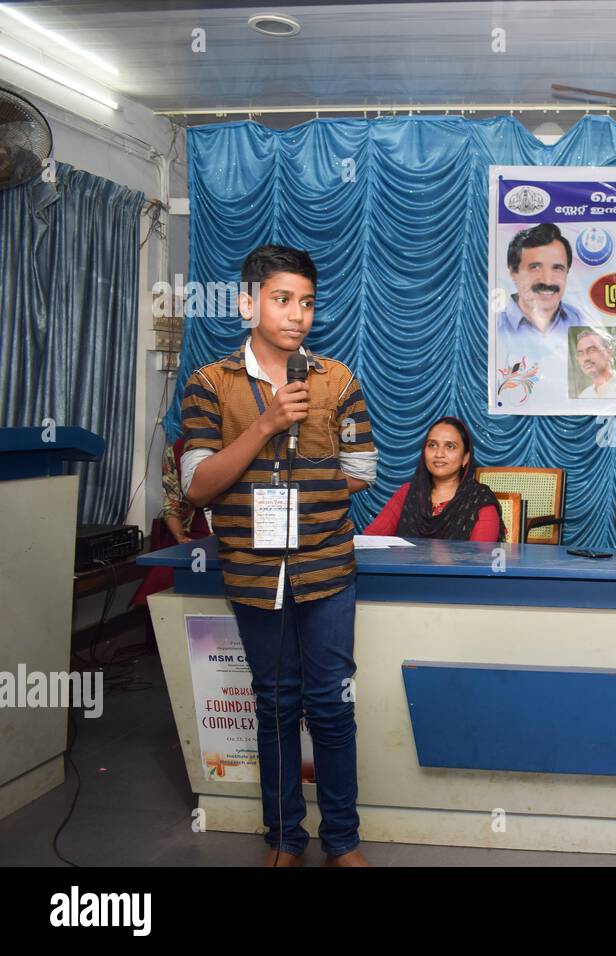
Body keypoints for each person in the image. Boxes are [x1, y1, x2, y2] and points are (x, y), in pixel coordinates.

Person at [179, 244, 377, 867]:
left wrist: (303, 495)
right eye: (282, 299)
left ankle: (342, 841)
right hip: (253, 570)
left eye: (308, 302)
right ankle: (286, 840)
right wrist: (264, 428)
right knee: (275, 705)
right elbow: (197, 483)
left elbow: (363, 468)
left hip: (326, 567)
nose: (297, 315)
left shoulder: (337, 380)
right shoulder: (209, 384)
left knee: (331, 704)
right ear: (247, 303)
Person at [364, 416, 501, 540]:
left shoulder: (480, 500)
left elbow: (482, 558)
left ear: (465, 458)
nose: (439, 453)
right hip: (407, 568)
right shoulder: (408, 493)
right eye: (432, 445)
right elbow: (370, 540)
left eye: (450, 446)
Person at [131, 436, 212, 610]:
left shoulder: (240, 443)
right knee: (161, 582)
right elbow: (171, 504)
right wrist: (180, 537)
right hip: (192, 536)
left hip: (234, 536)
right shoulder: (177, 448)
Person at [496, 223, 590, 340]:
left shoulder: (580, 320)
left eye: (557, 268)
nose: (547, 281)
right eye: (535, 267)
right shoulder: (494, 325)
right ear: (513, 272)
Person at [573, 328, 616, 399]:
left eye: (592, 350)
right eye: (580, 353)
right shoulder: (584, 395)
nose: (586, 358)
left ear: (609, 353)